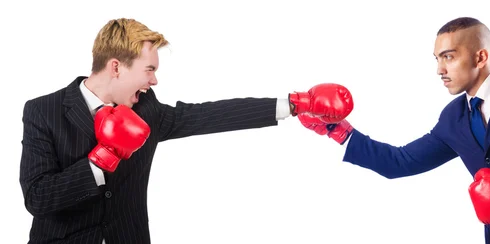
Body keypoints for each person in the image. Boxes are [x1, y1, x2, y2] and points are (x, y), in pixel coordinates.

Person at [19, 18, 354, 244]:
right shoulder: (43, 111)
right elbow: (37, 198)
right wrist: (102, 159)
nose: (154, 81)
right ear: (117, 67)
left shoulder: (147, 110)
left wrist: (294, 104)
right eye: (149, 69)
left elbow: (208, 116)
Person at [298, 17, 490, 244]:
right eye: (437, 58)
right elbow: (401, 162)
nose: (440, 70)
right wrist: (339, 131)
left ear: (480, 57)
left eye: (449, 57)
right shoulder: (454, 117)